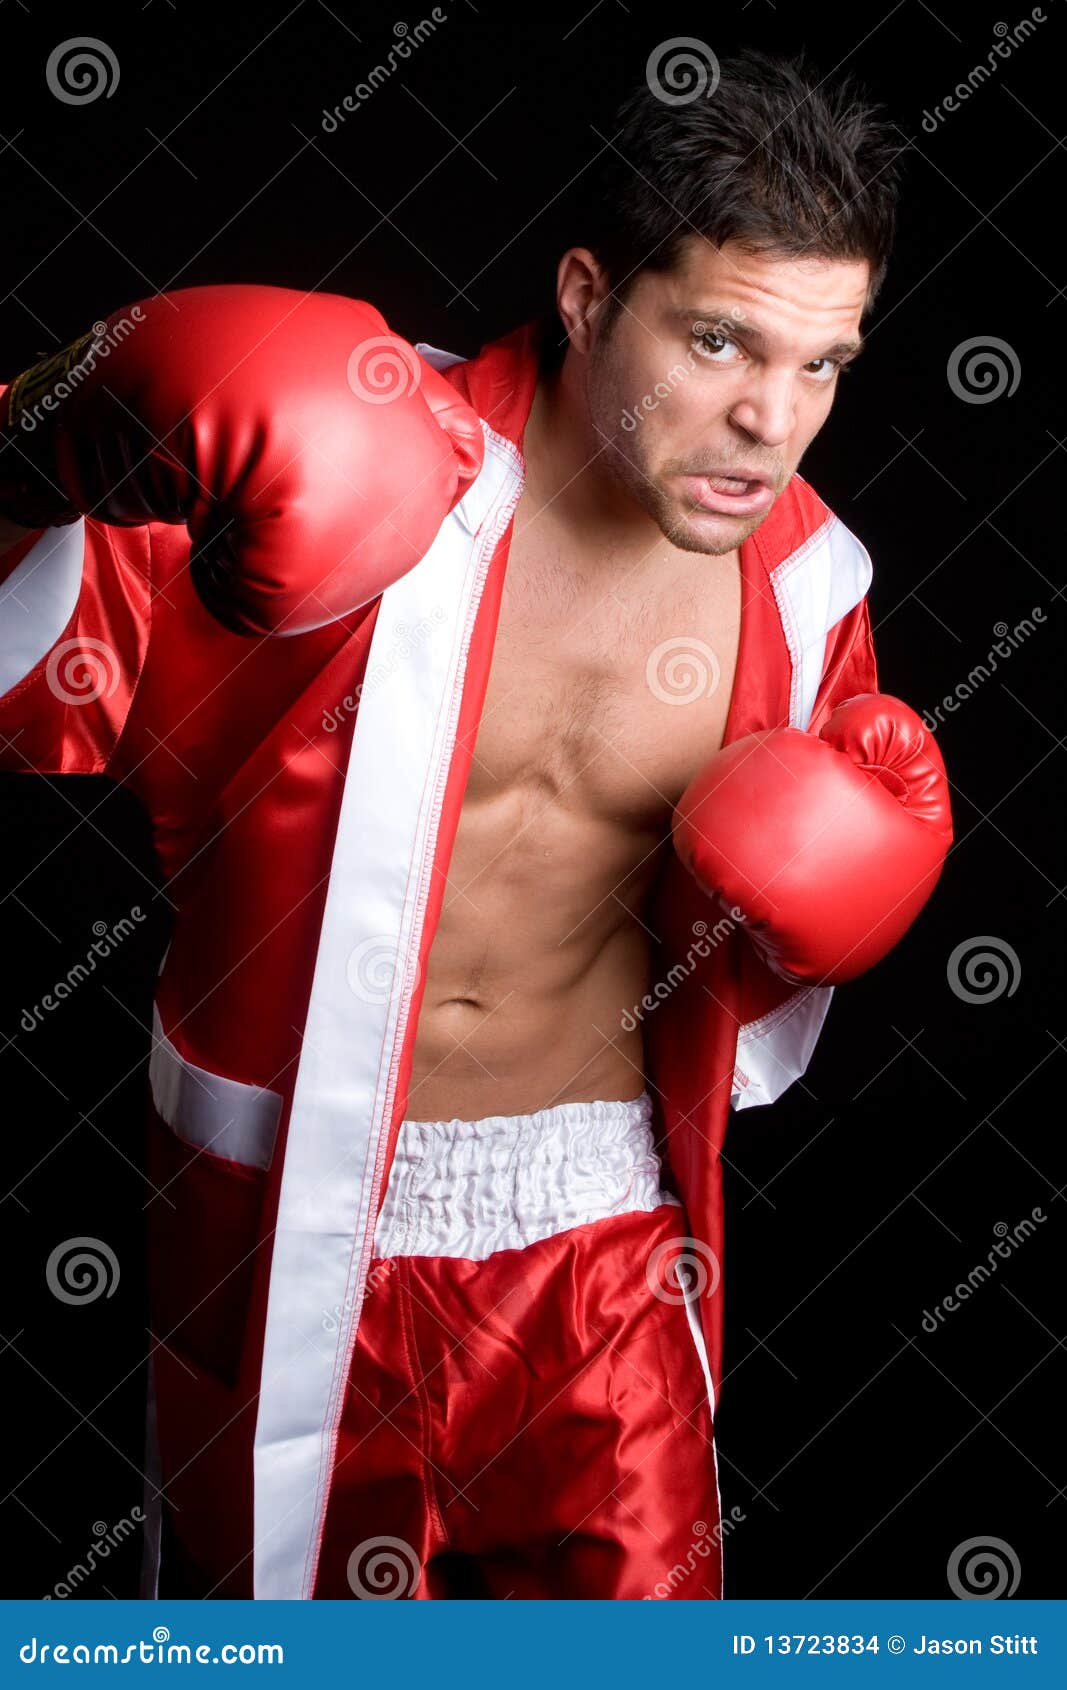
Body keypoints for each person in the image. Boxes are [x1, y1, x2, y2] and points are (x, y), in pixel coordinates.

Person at [0, 50, 951, 1599]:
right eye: (719, 341)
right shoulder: (341, 467)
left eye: (822, 364)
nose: (770, 420)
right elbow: (26, 657)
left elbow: (765, 983)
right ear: (586, 295)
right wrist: (41, 427)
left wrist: (841, 894)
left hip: (604, 1250)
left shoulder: (807, 589)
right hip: (296, 1233)